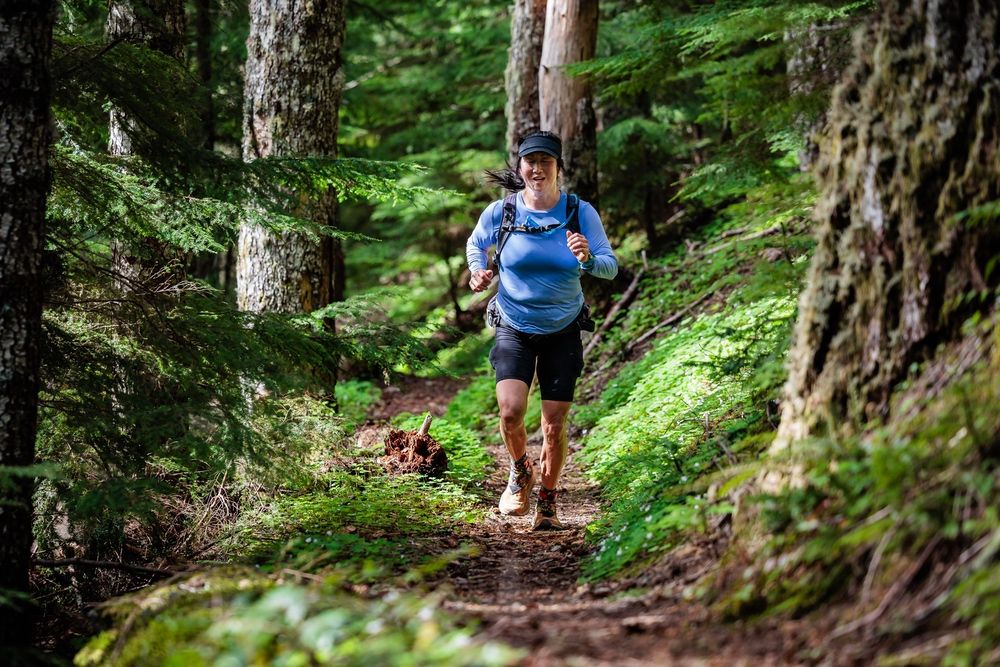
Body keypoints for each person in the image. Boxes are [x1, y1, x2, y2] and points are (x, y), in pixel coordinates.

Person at [466, 131, 618, 530]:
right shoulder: (503, 212)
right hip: (513, 325)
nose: (537, 169)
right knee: (511, 412)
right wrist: (477, 272)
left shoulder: (578, 211)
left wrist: (586, 258)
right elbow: (475, 244)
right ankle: (520, 472)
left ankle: (547, 500)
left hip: (563, 328)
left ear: (558, 168)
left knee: (553, 423)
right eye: (530, 161)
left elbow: (610, 266)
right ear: (520, 167)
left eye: (546, 161)